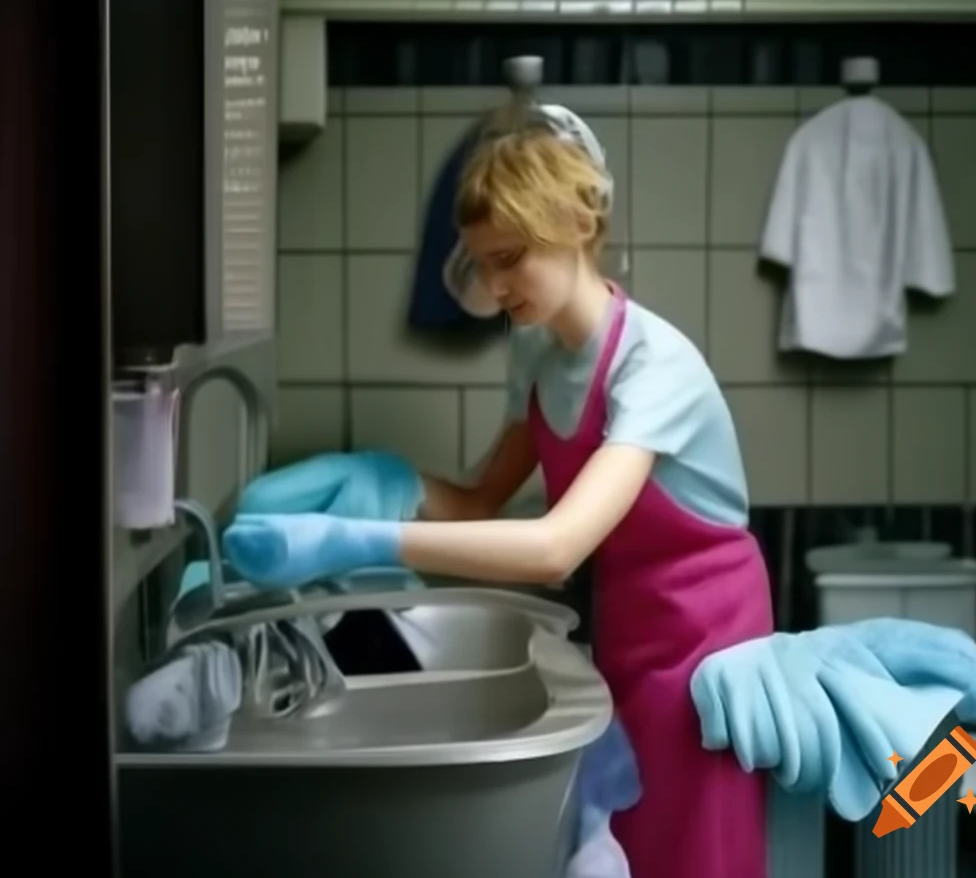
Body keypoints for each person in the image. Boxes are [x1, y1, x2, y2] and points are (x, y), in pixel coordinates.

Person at [225, 115, 774, 878]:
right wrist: (391, 485)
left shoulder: (656, 369)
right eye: (484, 266)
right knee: (627, 835)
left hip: (706, 638)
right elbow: (483, 499)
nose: (494, 287)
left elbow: (556, 544)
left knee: (693, 847)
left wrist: (361, 542)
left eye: (510, 260)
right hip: (627, 621)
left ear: (579, 224)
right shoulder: (538, 350)